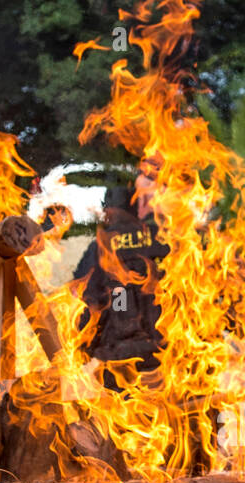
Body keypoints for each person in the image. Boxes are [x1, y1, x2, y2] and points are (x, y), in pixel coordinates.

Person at [72, 157, 169, 390]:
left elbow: (85, 301)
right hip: (164, 352)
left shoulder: (102, 246)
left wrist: (81, 351)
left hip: (118, 359)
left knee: (121, 421)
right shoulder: (166, 239)